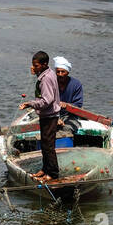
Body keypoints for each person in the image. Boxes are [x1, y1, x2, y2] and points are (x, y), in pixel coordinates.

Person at [19, 50, 61, 180]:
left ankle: (52, 173)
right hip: (47, 115)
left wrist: (30, 104)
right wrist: (37, 73)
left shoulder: (46, 78)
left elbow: (46, 101)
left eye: (36, 66)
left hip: (50, 115)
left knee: (48, 146)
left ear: (44, 64)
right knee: (44, 144)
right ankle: (45, 169)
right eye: (33, 65)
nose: (34, 68)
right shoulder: (46, 74)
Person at [53, 56, 84, 137]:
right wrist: (55, 118)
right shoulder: (51, 83)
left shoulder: (76, 84)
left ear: (68, 72)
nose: (60, 74)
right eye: (58, 72)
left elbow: (78, 105)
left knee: (67, 129)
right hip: (51, 114)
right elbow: (45, 102)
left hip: (69, 115)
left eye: (63, 72)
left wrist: (67, 105)